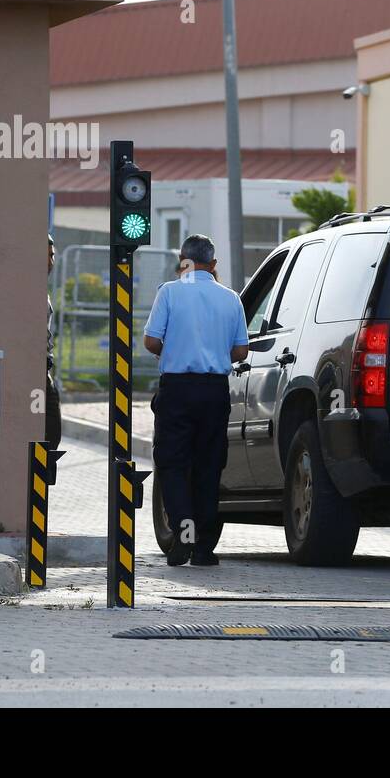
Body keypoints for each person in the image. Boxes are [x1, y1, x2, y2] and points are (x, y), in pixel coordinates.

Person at [143, 234, 249, 567]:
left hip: (177, 389)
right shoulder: (231, 298)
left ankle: (182, 537)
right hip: (214, 391)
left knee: (173, 465)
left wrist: (173, 350)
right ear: (213, 264)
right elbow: (241, 350)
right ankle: (204, 547)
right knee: (208, 465)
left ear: (182, 260)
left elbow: (150, 341)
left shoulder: (170, 293)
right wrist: (216, 353)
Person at [46, 235, 62, 449]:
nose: (50, 261)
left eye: (52, 255)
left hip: (45, 370)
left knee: (51, 432)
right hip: (34, 375)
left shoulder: (43, 290)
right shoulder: (28, 290)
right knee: (47, 430)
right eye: (45, 256)